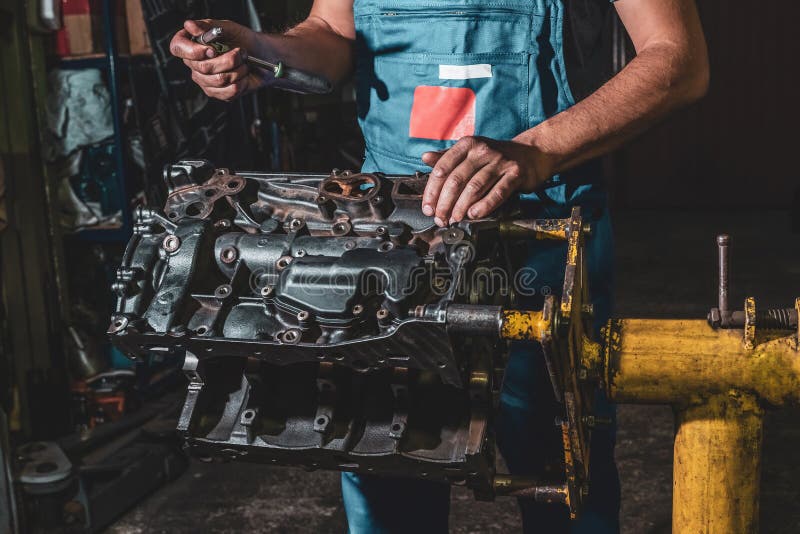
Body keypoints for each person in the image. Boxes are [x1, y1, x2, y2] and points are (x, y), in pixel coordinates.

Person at [170, 1, 708, 532]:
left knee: (561, 473)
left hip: (537, 239)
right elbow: (333, 35)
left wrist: (538, 150)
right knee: (384, 456)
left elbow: (677, 59)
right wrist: (259, 50)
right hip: (390, 236)